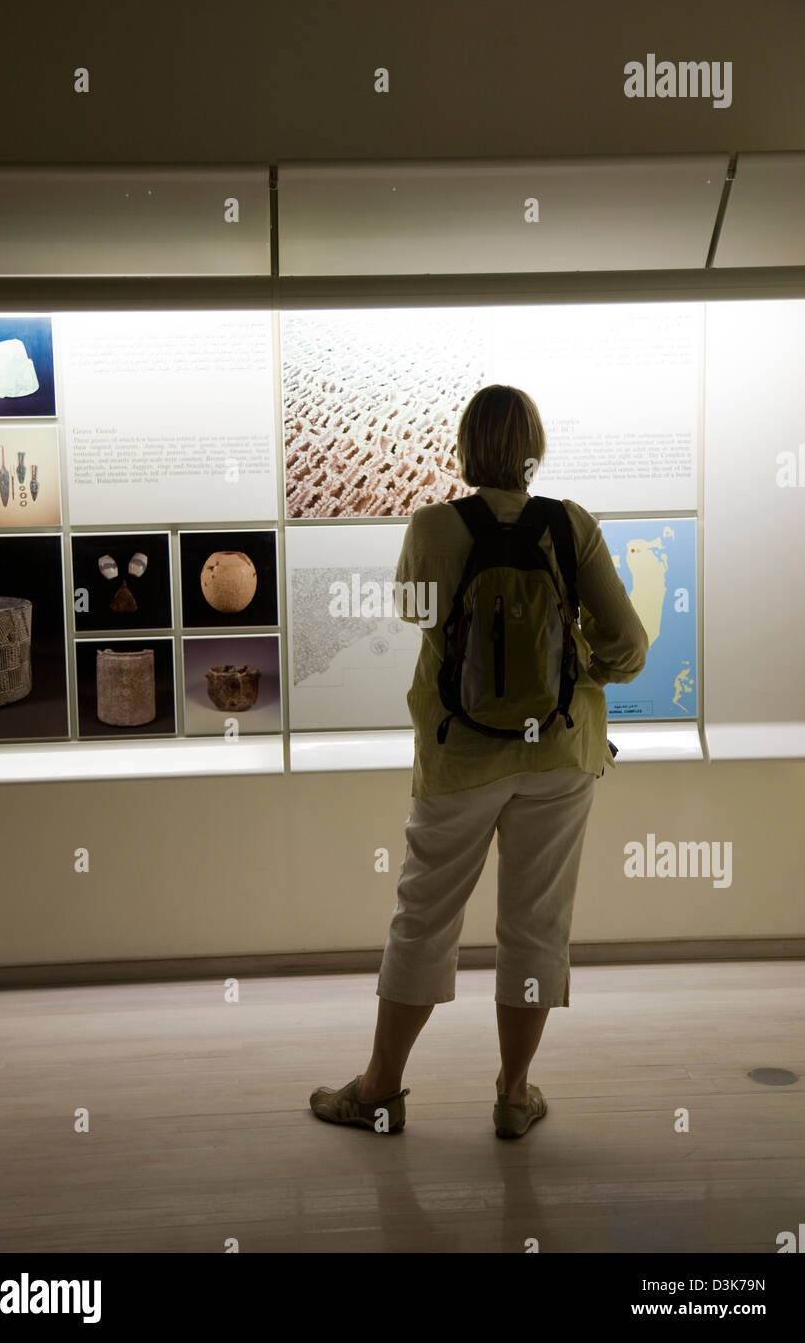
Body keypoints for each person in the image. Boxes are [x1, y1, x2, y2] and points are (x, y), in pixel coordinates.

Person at [310, 384, 648, 1137]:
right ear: (535, 447)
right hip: (559, 754)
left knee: (423, 917)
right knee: (535, 925)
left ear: (467, 447)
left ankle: (379, 1090)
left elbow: (414, 612)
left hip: (458, 755)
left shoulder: (434, 526)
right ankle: (513, 1094)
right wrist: (579, 670)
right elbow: (630, 647)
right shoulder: (571, 525)